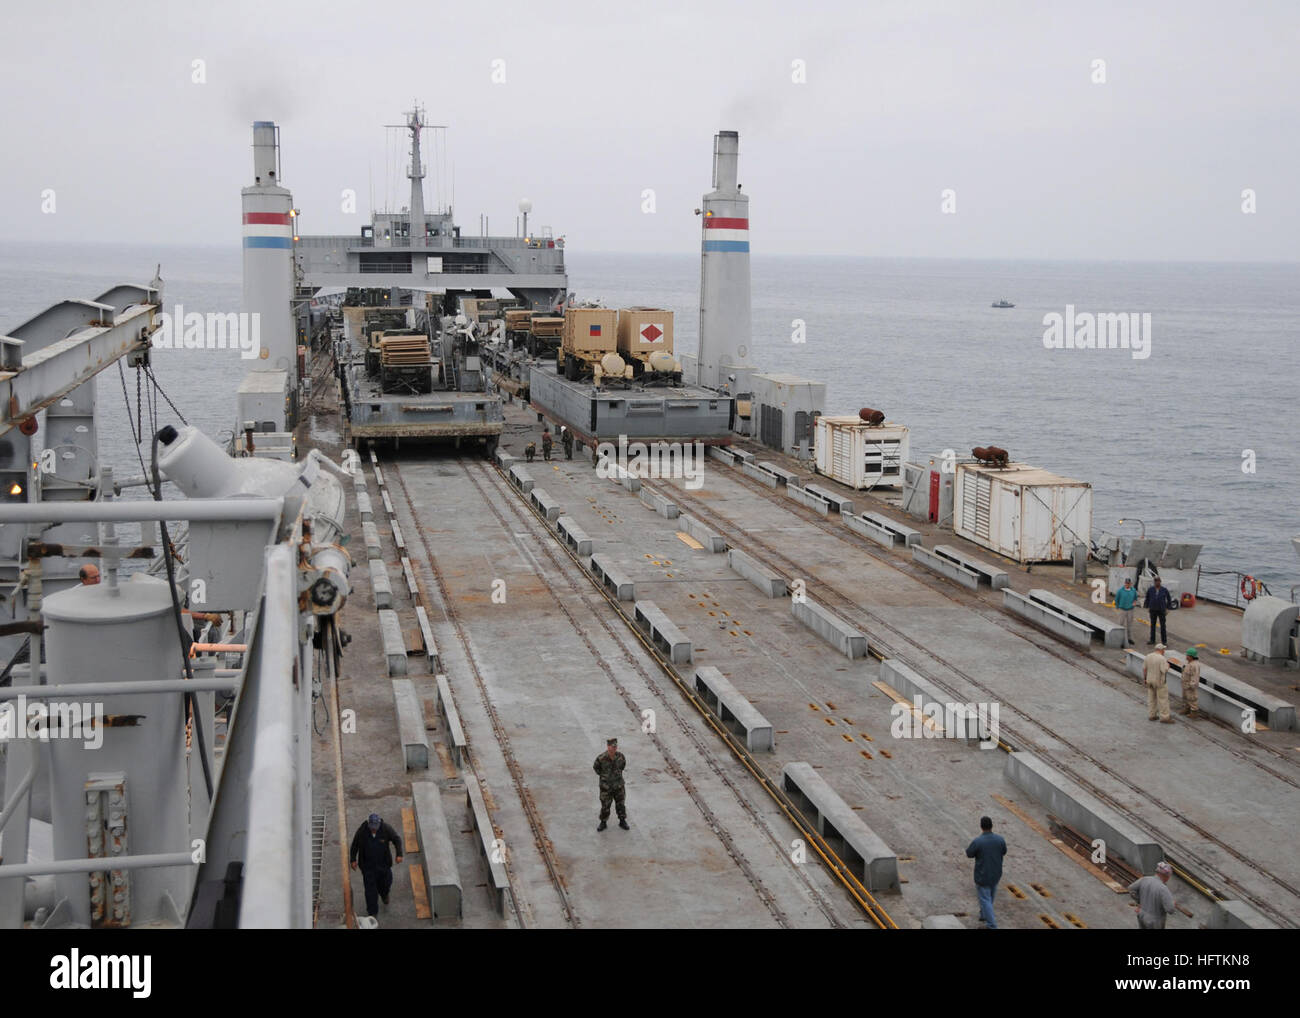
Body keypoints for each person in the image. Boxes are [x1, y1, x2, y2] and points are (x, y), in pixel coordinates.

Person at [349, 813, 403, 917]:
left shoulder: (386, 829)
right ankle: (372, 913)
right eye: (372, 828)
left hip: (383, 865)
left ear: (379, 824)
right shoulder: (362, 831)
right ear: (369, 824)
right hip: (368, 868)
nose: (374, 830)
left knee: (386, 883)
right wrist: (353, 859)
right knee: (370, 892)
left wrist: (399, 854)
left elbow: (397, 839)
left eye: (375, 828)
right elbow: (355, 845)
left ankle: (384, 894)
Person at [965, 816, 1007, 928]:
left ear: (981, 827)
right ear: (991, 826)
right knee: (991, 896)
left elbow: (969, 853)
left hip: (983, 875)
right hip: (996, 873)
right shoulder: (1000, 839)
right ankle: (984, 915)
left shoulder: (978, 841)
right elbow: (1004, 851)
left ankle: (992, 925)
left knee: (985, 899)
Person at [593, 737, 628, 831]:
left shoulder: (620, 756)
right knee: (605, 806)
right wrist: (605, 777)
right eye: (612, 746)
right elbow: (596, 768)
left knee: (620, 804)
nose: (614, 748)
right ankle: (603, 822)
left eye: (615, 746)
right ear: (608, 746)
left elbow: (622, 766)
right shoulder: (601, 758)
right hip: (606, 787)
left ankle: (622, 821)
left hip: (618, 786)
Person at [1129, 861, 1176, 929]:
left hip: (1142, 914)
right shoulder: (1163, 889)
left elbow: (1131, 889)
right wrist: (1172, 904)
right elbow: (1170, 909)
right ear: (1167, 876)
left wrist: (1139, 901)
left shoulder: (1145, 879)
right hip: (1154, 921)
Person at [1143, 643, 1173, 723]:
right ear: (1161, 650)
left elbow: (1144, 669)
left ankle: (1152, 715)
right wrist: (1168, 666)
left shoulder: (1148, 656)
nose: (1164, 651)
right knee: (1163, 699)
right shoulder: (1162, 658)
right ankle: (1165, 717)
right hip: (1159, 682)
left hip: (1149, 680)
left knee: (1151, 699)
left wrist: (1145, 679)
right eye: (1164, 650)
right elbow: (1163, 670)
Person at [1144, 576, 1172, 646]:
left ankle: (1164, 641)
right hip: (1153, 609)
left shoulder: (1164, 590)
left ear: (1160, 582)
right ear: (1154, 582)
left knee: (1163, 626)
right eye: (1156, 581)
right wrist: (1147, 606)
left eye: (1158, 581)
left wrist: (1168, 608)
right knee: (1152, 625)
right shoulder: (1150, 589)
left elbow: (1169, 599)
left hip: (1161, 610)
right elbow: (1147, 598)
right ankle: (1152, 640)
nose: (1157, 582)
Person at [1113, 577, 1137, 647]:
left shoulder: (1133, 590)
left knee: (1129, 625)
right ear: (1124, 583)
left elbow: (1135, 598)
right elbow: (1117, 599)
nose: (1127, 584)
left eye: (1128, 583)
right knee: (1120, 624)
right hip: (1122, 609)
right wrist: (1117, 606)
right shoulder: (1120, 591)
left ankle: (1129, 638)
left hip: (1130, 609)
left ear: (1130, 584)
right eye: (1126, 583)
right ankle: (1119, 638)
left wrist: (1134, 603)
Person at [1179, 648, 1202, 718]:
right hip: (1185, 685)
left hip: (1190, 686)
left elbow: (1195, 676)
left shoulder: (1195, 665)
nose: (1186, 656)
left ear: (1191, 656)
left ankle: (1194, 712)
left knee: (1192, 699)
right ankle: (1187, 709)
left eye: (1187, 655)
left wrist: (1192, 685)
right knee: (1185, 697)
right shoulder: (1190, 663)